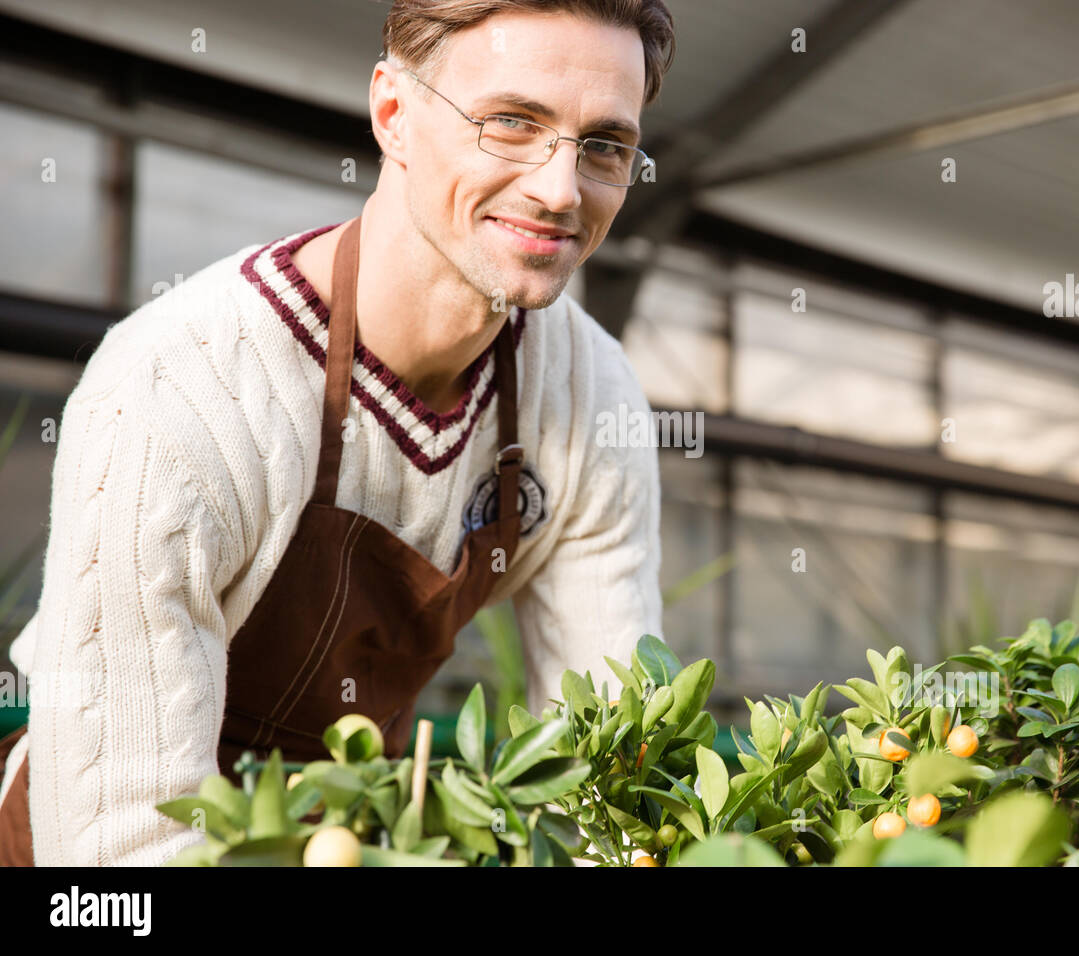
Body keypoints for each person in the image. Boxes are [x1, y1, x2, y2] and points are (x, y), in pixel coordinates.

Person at [0, 0, 675, 866]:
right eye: (511, 123)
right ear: (393, 114)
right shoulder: (182, 386)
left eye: (605, 145)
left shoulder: (592, 394)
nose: (559, 189)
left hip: (350, 841)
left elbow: (604, 772)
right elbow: (118, 846)